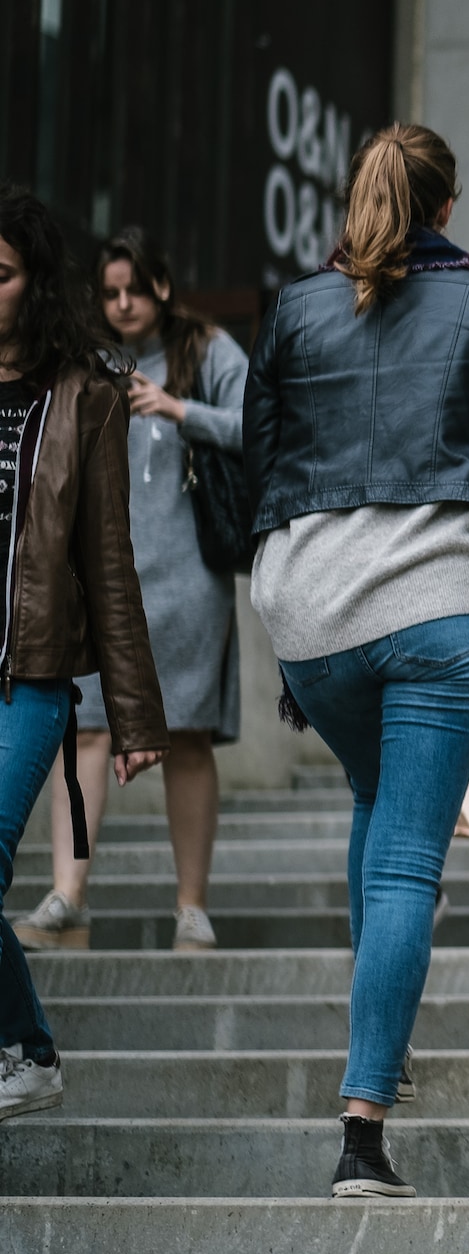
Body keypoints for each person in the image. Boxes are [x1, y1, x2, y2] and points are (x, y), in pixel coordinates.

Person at [245, 124, 469, 1196]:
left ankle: (383, 1042)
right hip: (438, 610)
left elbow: (261, 459)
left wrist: (291, 595)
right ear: (448, 203)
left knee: (376, 806)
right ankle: (362, 1128)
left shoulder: (293, 307)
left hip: (311, 618)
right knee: (404, 864)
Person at [11, 230, 247, 956]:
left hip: (187, 578)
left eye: (134, 291)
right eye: (109, 293)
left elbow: (263, 426)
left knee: (185, 736)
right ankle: (68, 891)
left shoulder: (208, 351)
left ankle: (191, 906)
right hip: (101, 580)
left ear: (163, 288)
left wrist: (181, 410)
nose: (121, 305)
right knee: (81, 733)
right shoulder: (87, 363)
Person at [0, 187, 169, 1122]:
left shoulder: (85, 395)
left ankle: (29, 1048)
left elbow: (109, 563)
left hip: (29, 676)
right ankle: (25, 1045)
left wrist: (136, 716)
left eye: (1, 274)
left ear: (35, 283)